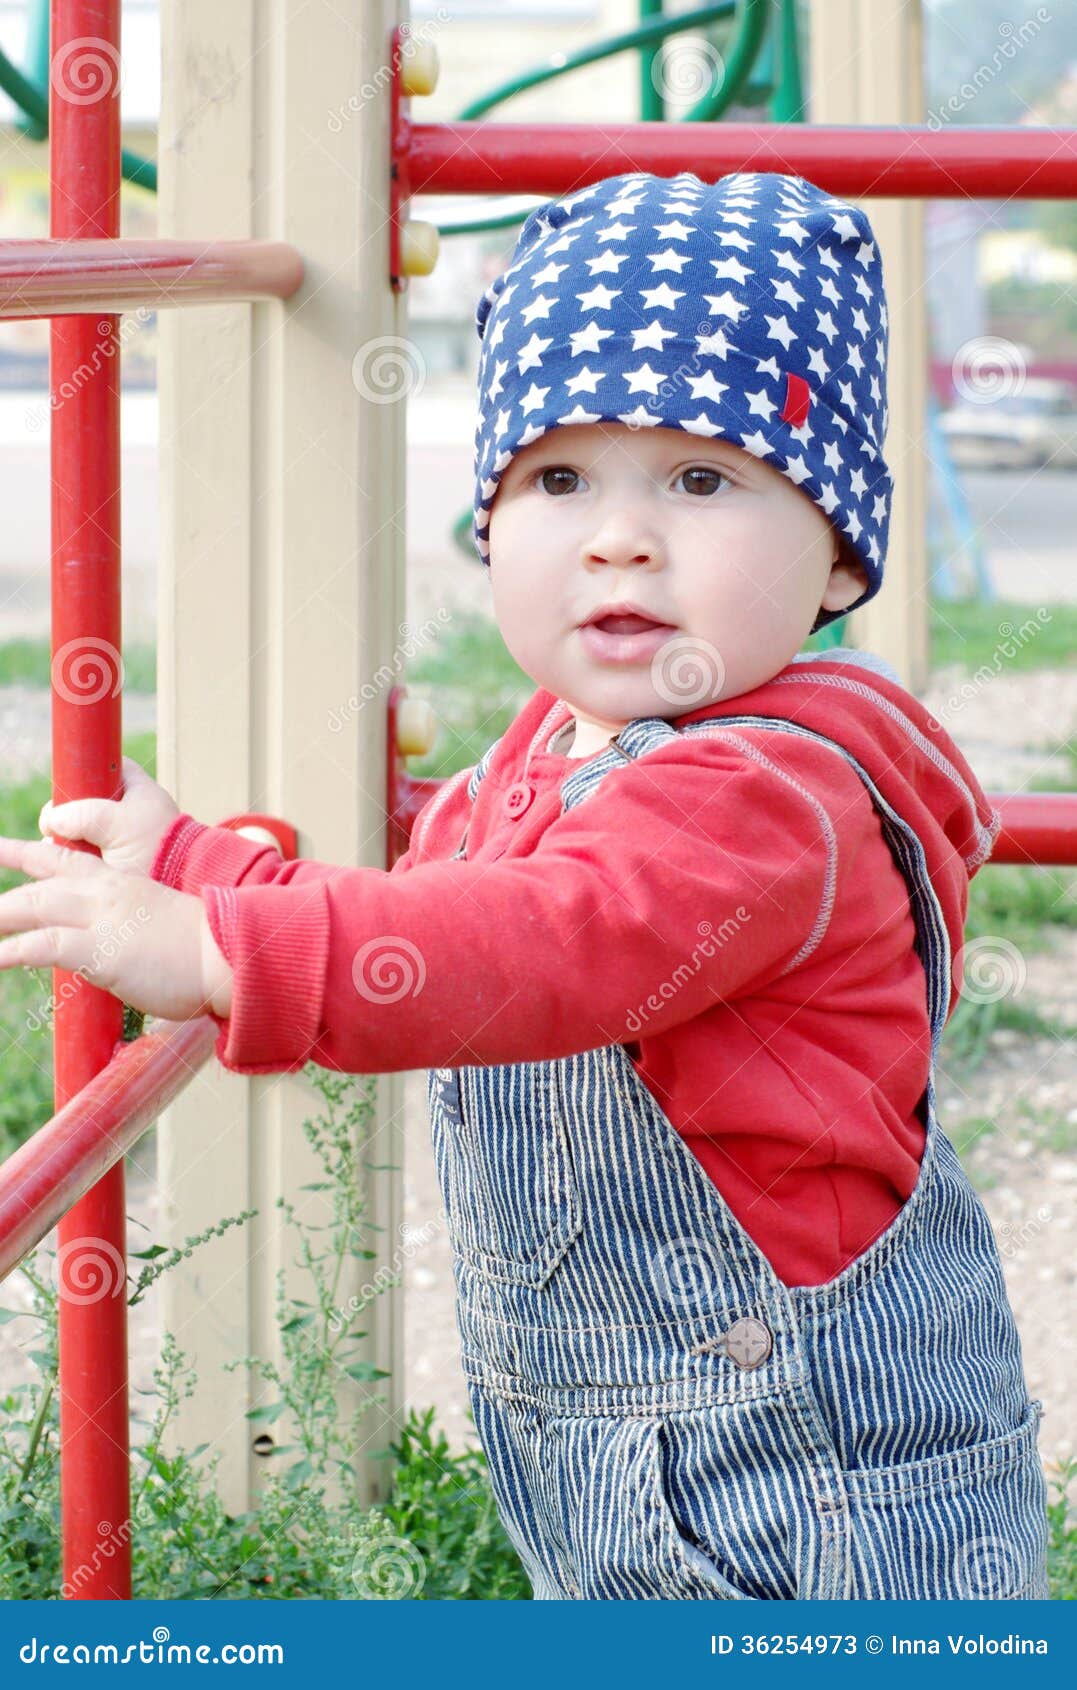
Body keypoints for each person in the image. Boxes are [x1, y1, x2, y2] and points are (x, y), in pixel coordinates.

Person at [0, 171, 1049, 1601]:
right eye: (558, 479)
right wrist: (204, 868)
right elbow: (433, 909)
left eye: (700, 476)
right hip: (633, 1464)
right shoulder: (553, 747)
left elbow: (533, 943)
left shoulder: (760, 791)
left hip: (808, 1498)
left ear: (835, 550)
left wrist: (216, 942)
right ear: (491, 526)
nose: (619, 534)